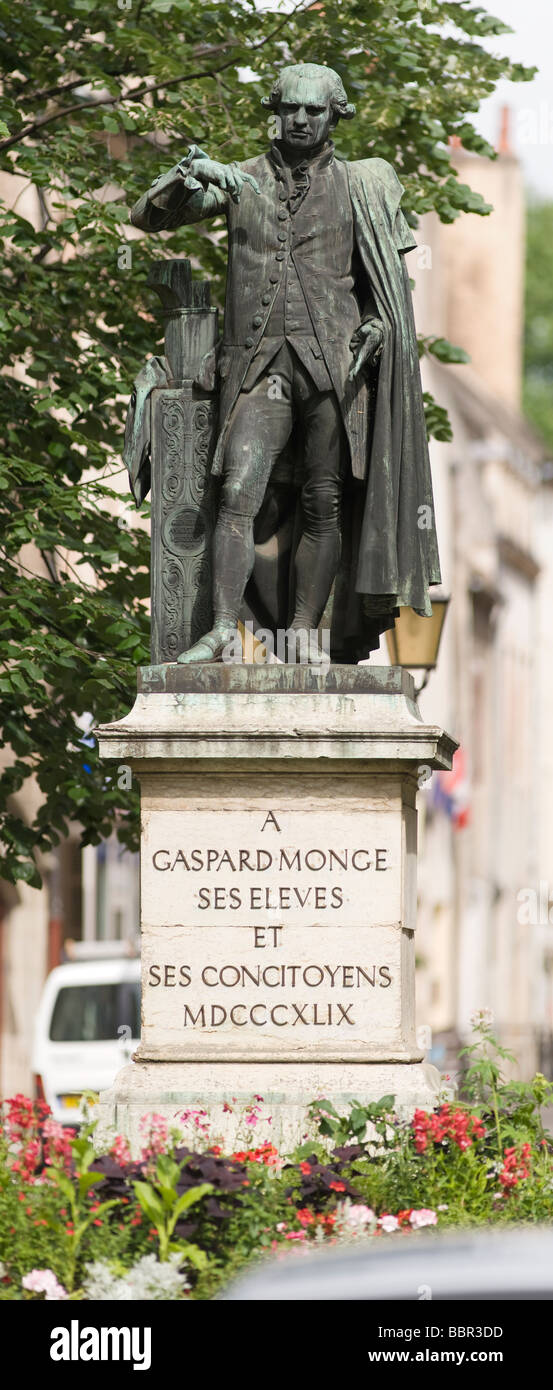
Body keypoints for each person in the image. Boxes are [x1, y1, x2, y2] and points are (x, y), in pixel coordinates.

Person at [130, 62, 441, 664]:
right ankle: (222, 628)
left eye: (313, 110)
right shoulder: (239, 178)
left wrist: (379, 324)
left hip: (334, 369)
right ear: (275, 109)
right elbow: (148, 217)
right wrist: (187, 170)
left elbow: (389, 281)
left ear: (334, 115)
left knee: (324, 501)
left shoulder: (364, 184)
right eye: (290, 108)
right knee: (238, 490)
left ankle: (304, 633)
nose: (300, 119)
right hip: (257, 366)